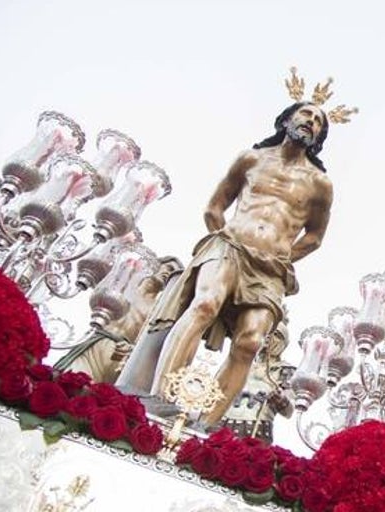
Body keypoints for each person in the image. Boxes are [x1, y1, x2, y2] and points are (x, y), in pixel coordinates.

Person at [143, 72, 338, 428]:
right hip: (229, 246)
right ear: (286, 120)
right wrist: (222, 241)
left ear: (320, 138)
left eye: (318, 122)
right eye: (305, 115)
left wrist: (282, 258)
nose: (310, 122)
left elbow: (314, 236)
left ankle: (205, 423)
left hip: (270, 268)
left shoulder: (320, 184)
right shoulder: (251, 159)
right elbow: (214, 206)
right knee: (204, 305)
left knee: (250, 341)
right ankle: (162, 398)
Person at [59, 255, 183, 383]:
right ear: (155, 266)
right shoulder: (125, 285)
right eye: (168, 267)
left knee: (94, 398)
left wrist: (132, 349)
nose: (169, 272)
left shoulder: (158, 310)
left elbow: (150, 342)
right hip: (95, 345)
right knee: (71, 382)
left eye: (173, 273)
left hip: (120, 357)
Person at [217, 314, 294, 443]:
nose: (270, 337)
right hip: (223, 423)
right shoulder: (242, 361)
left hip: (256, 429)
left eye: (276, 335)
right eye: (267, 333)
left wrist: (280, 399)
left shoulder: (285, 371)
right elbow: (217, 390)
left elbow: (289, 411)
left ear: (284, 343)